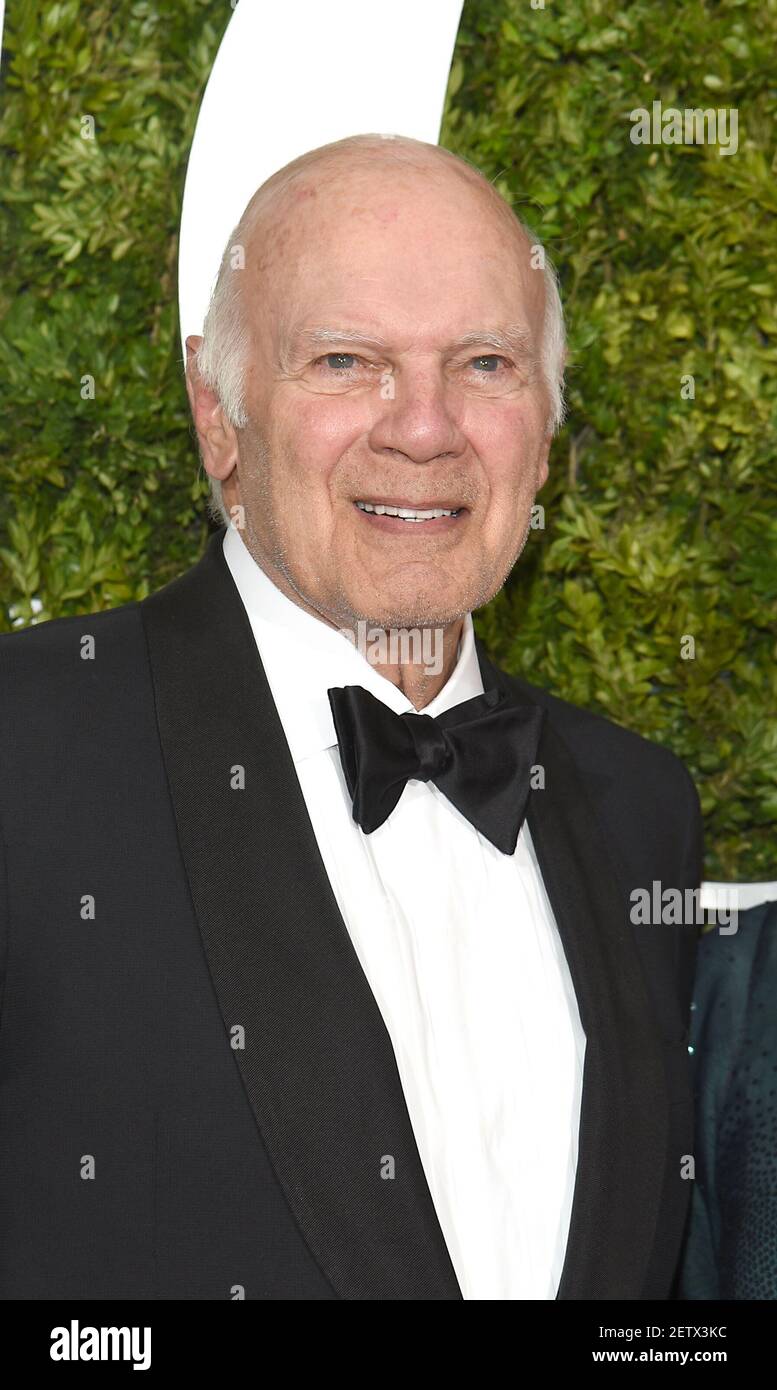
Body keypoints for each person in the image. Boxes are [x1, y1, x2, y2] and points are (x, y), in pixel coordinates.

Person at [0, 134, 703, 1300]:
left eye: (484, 363)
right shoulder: (27, 752)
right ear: (218, 418)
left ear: (545, 426)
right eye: (344, 360)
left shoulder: (640, 807)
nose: (422, 427)